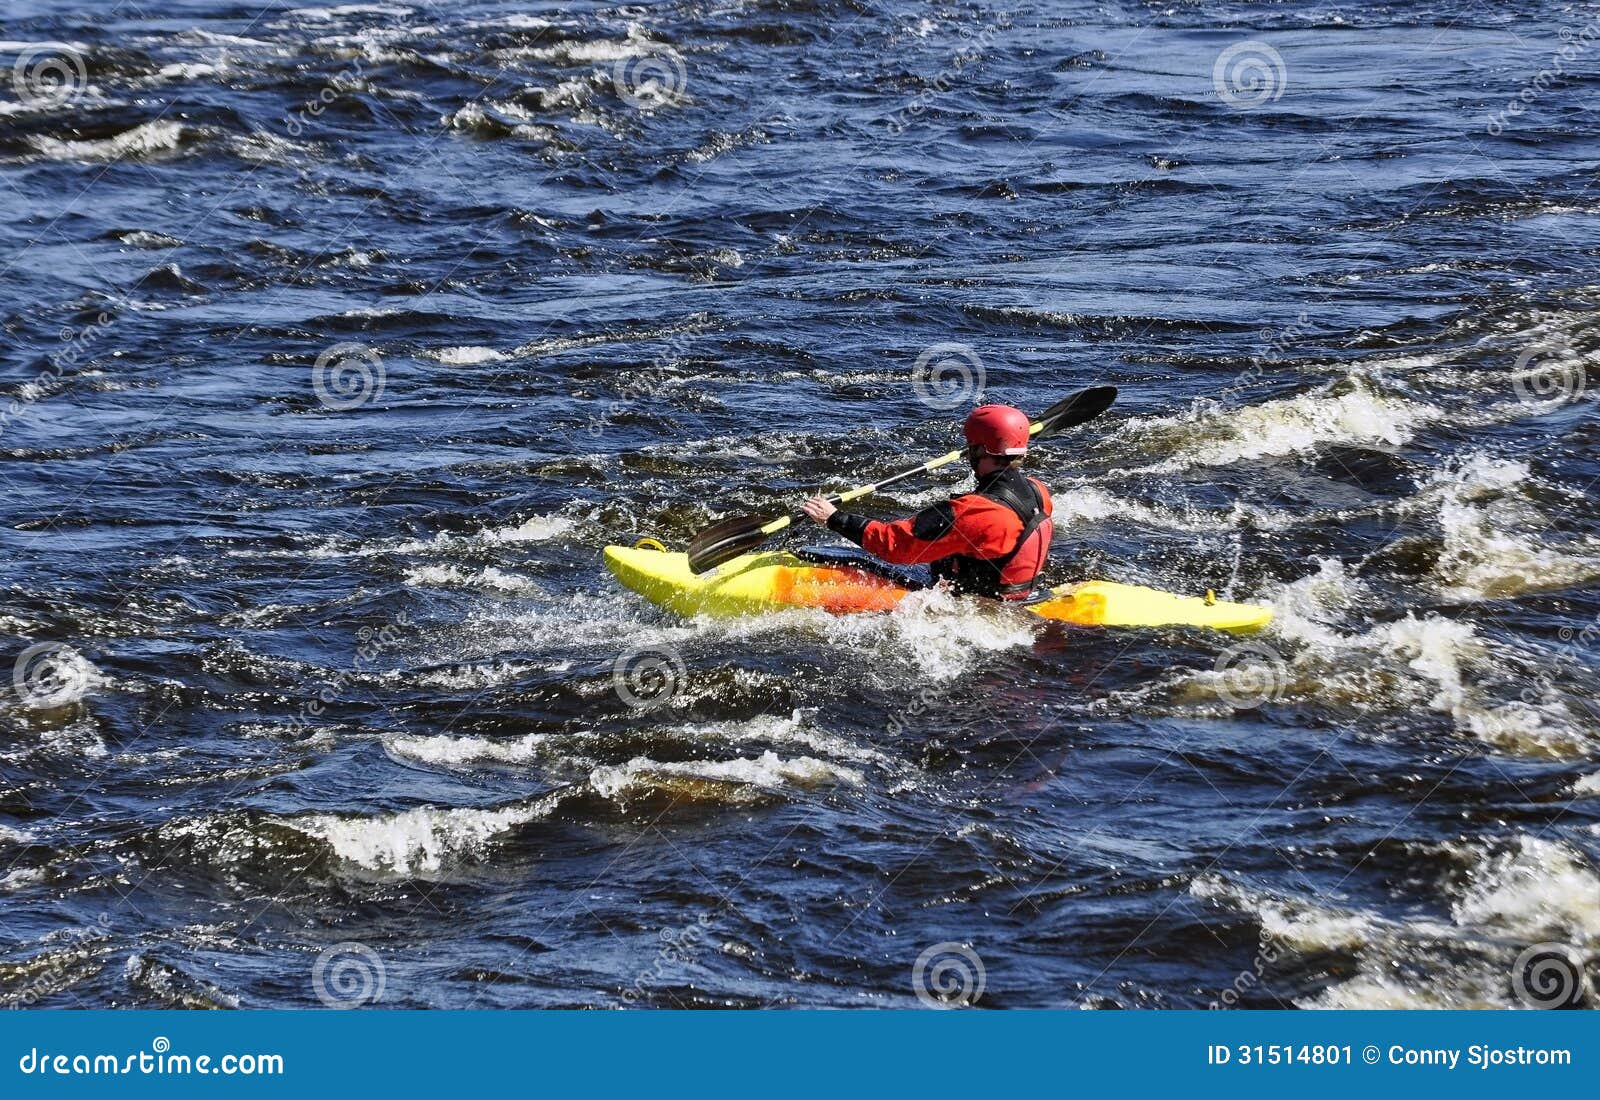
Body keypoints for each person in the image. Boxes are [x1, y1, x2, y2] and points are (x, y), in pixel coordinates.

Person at [800, 404, 1054, 601]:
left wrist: (834, 518)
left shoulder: (975, 512)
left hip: (975, 607)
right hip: (1017, 595)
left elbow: (895, 545)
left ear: (977, 450)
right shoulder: (1038, 490)